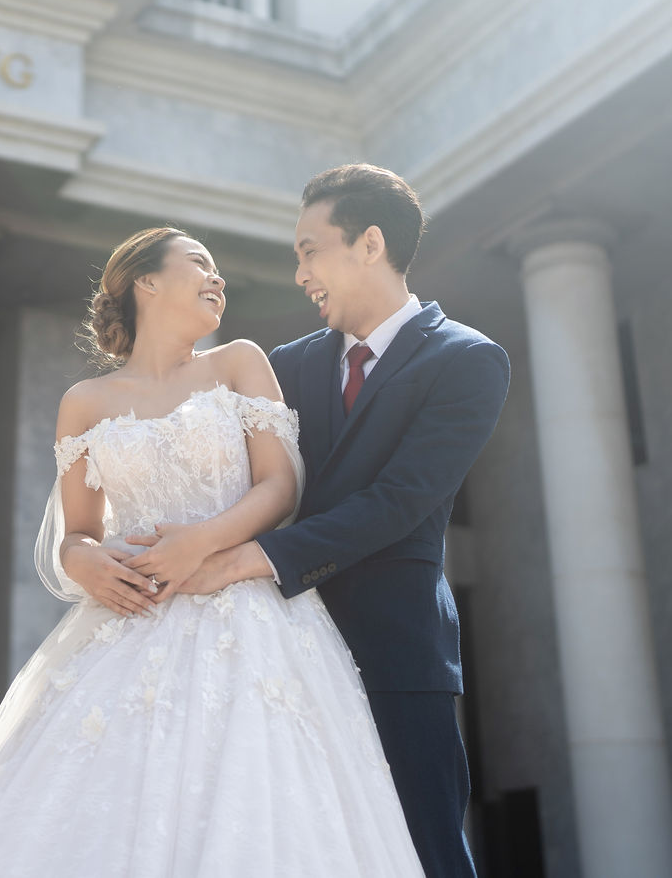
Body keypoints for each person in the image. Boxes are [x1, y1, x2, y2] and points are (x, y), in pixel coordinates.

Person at [0, 226, 424, 877]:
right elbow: (78, 531)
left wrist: (200, 544)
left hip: (247, 614)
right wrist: (81, 559)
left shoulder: (237, 361)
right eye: (201, 263)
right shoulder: (85, 402)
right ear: (147, 281)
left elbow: (279, 484)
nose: (219, 278)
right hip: (129, 618)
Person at [148, 165, 510, 878]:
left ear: (369, 243)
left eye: (310, 249)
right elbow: (252, 486)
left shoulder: (468, 360)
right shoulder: (287, 364)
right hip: (278, 650)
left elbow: (399, 502)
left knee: (424, 852)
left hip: (394, 653)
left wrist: (248, 559)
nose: (299, 272)